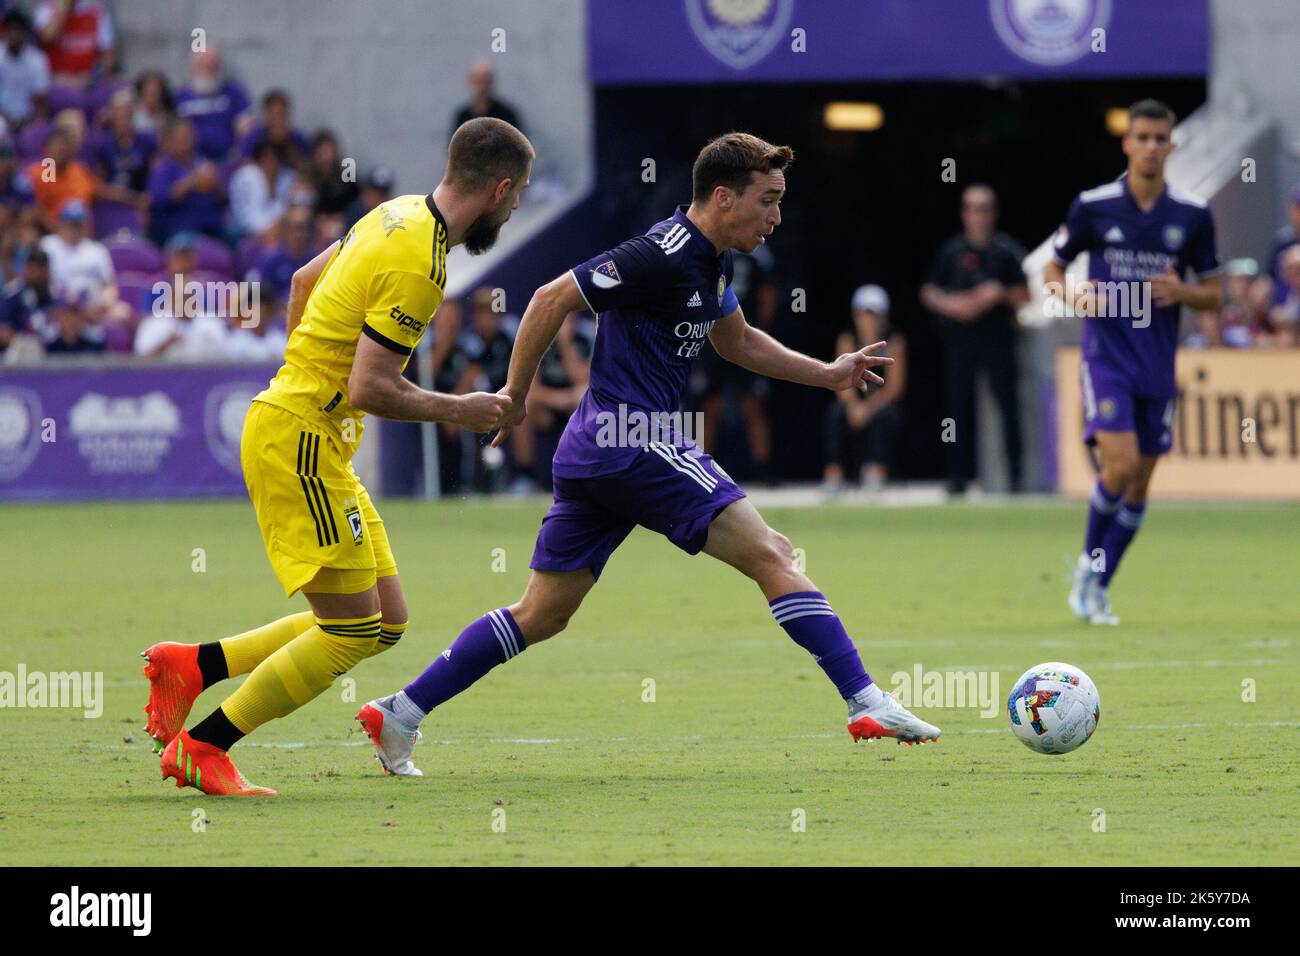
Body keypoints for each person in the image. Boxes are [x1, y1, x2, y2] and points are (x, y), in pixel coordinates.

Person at [359, 132, 940, 779]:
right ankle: (866, 701)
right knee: (773, 552)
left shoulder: (712, 259)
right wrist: (515, 396)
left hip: (595, 451)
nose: (776, 217)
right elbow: (552, 298)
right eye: (768, 200)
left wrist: (829, 374)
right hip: (634, 439)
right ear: (723, 197)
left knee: (541, 614)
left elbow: (739, 342)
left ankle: (401, 712)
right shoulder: (662, 252)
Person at [138, 117, 532, 795]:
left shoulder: (397, 212)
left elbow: (300, 282)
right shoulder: (423, 263)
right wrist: (459, 409)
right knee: (351, 630)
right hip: (301, 443)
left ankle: (195, 665)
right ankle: (203, 746)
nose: (518, 205)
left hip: (312, 436)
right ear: (498, 189)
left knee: (386, 620)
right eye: (519, 194)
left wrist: (307, 383)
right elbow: (372, 386)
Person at [1046, 99, 1221, 626]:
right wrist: (1078, 298)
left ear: (1172, 145)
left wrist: (1182, 291)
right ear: (1126, 143)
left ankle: (1099, 584)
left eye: (1158, 138)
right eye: (1140, 137)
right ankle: (1086, 571)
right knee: (1118, 467)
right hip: (1108, 356)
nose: (1150, 146)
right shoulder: (1094, 206)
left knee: (1141, 484)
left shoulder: (1191, 215)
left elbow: (1215, 294)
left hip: (1157, 364)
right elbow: (1053, 272)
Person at [921, 184, 1029, 494]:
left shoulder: (1007, 251)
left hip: (997, 339)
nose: (979, 216)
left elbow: (1026, 294)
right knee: (957, 408)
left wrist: (998, 293)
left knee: (1008, 405)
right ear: (965, 214)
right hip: (960, 341)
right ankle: (957, 475)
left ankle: (1015, 477)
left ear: (993, 213)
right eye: (973, 210)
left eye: (985, 209)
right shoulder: (952, 251)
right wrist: (955, 305)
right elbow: (929, 291)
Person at [822, 284, 906, 491]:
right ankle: (834, 474)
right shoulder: (847, 340)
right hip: (854, 404)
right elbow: (838, 380)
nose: (868, 320)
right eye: (863, 314)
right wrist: (854, 407)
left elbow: (895, 387)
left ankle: (876, 472)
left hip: (880, 404)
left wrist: (868, 409)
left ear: (884, 316)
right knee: (835, 414)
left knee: (885, 416)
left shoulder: (895, 342)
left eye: (873, 314)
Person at [147, 117, 226, 243]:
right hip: (178, 231)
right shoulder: (163, 169)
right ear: (170, 141)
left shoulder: (203, 162)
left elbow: (225, 199)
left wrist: (215, 185)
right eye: (183, 136)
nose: (188, 140)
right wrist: (192, 183)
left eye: (190, 135)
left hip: (213, 229)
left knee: (238, 238)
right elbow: (158, 202)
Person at [173, 46, 250, 161]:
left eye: (212, 64)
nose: (208, 69)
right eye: (203, 64)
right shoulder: (180, 96)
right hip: (189, 160)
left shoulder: (234, 93)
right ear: (194, 66)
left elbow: (246, 127)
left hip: (227, 158)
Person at [32, 0, 115, 88]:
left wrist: (91, 80)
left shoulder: (97, 13)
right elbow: (47, 37)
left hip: (88, 84)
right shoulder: (46, 10)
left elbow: (109, 58)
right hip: (54, 84)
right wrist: (63, 10)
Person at [0, 9, 50, 128]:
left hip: (27, 121)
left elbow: (41, 102)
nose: (13, 34)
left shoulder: (37, 60)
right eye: (10, 29)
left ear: (26, 33)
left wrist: (35, 127)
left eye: (17, 30)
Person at [450, 58, 522, 139]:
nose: (482, 86)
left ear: (491, 81)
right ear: (471, 81)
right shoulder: (462, 116)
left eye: (485, 80)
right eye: (478, 80)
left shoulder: (507, 115)